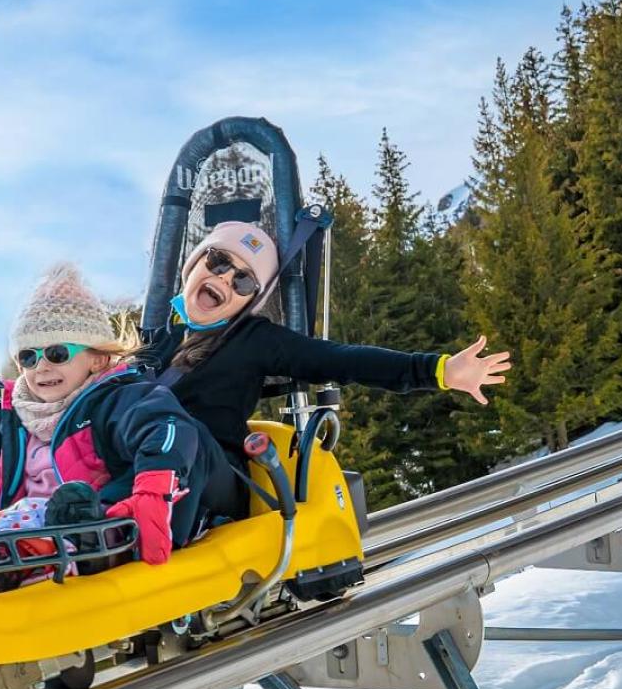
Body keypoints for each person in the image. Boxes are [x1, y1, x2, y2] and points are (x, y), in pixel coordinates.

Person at [140, 221, 510, 518]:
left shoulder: (253, 339)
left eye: (243, 280)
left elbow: (342, 359)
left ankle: (148, 523)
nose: (224, 278)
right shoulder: (155, 344)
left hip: (207, 477)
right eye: (219, 262)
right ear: (194, 264)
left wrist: (438, 370)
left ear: (250, 301)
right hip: (142, 467)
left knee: (181, 433)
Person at [0, 262, 214, 571]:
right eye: (29, 357)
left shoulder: (115, 399)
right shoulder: (15, 414)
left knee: (47, 515)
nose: (41, 367)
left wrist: (155, 487)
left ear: (97, 360)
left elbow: (166, 425)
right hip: (14, 526)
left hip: (98, 527)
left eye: (57, 353)